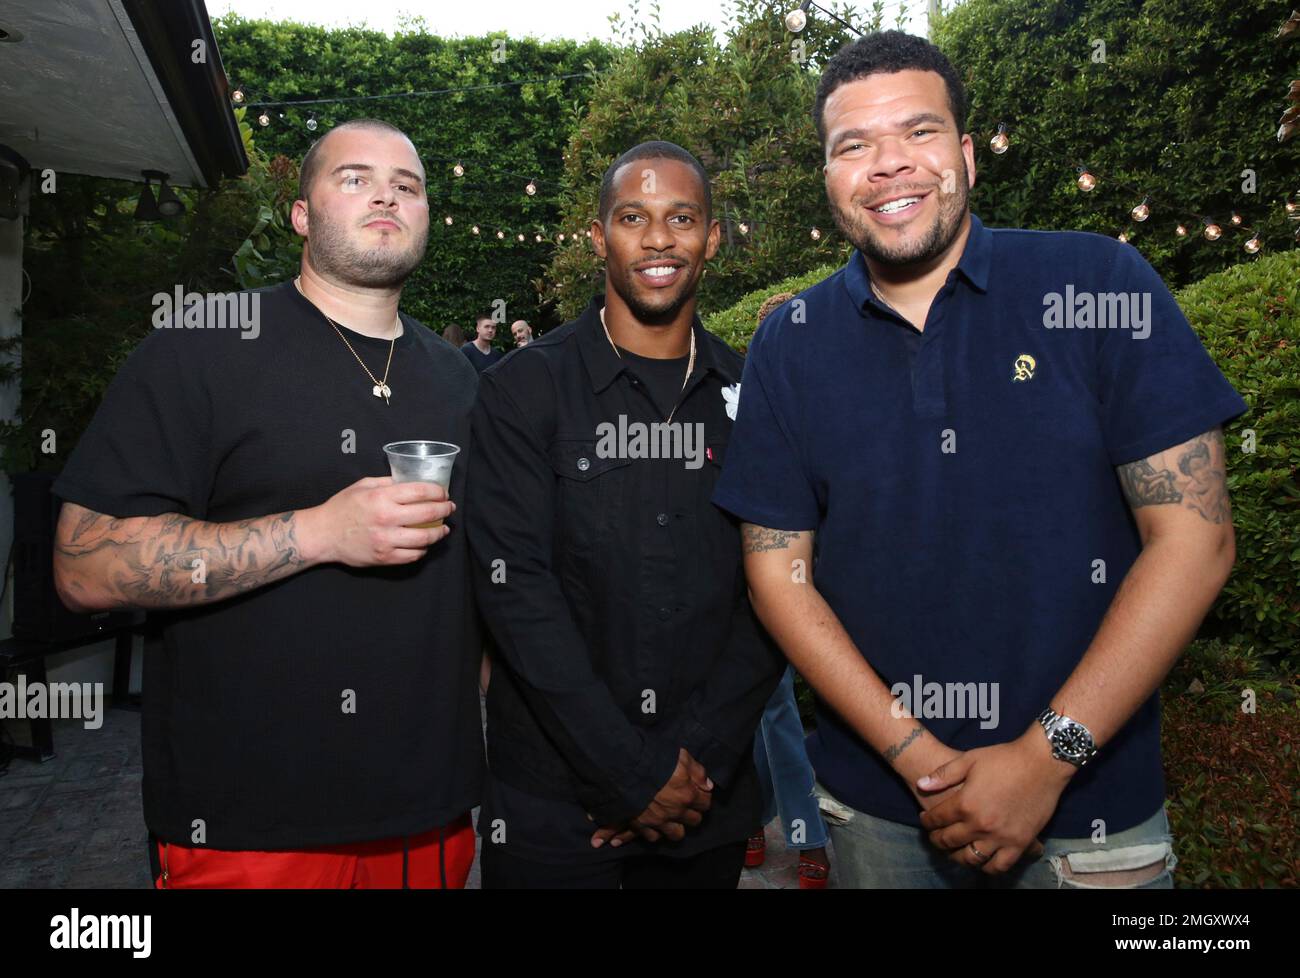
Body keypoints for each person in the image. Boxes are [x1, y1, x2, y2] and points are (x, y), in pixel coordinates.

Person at [713, 31, 1246, 889]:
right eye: (854, 145)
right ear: (827, 177)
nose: (889, 165)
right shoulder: (790, 340)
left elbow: (1195, 540)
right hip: (881, 815)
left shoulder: (1102, 281)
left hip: (1094, 820)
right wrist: (919, 757)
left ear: (966, 154)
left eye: (918, 133)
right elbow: (779, 575)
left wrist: (1047, 757)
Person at [51, 118, 484, 889]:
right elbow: (86, 564)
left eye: (408, 185)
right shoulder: (203, 347)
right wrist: (320, 532)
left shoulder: (465, 380)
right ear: (301, 216)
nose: (386, 191)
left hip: (429, 811)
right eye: (354, 177)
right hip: (247, 823)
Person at [466, 140, 784, 889]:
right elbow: (516, 594)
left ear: (711, 237)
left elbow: (777, 590)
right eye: (632, 217)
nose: (658, 238)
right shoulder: (522, 390)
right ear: (598, 234)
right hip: (555, 802)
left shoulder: (759, 399)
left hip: (706, 794)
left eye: (682, 217)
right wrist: (627, 773)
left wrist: (689, 767)